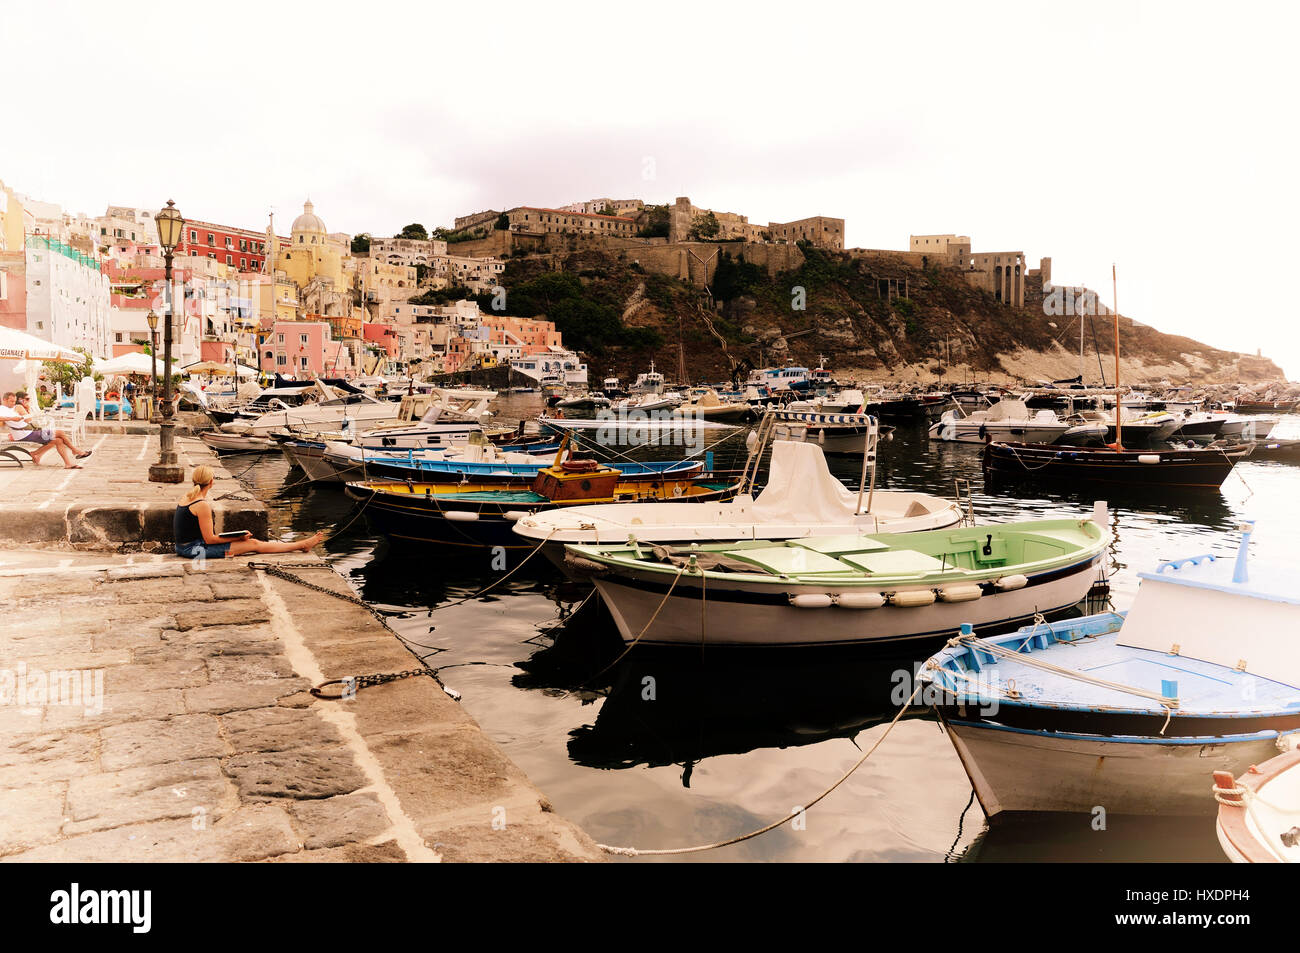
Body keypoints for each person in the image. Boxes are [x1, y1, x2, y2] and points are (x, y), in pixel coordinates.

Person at [175, 465, 323, 559]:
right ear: (211, 482)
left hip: (184, 547)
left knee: (251, 542)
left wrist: (236, 537)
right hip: (194, 550)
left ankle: (301, 544)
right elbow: (210, 540)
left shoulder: (187, 497)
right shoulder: (201, 505)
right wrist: (239, 539)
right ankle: (302, 545)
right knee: (254, 544)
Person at [0, 391, 89, 468]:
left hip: (29, 432)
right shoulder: (2, 409)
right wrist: (12, 419)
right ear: (4, 400)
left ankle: (68, 464)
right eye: (11, 401)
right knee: (60, 432)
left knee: (58, 440)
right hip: (25, 434)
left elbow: (27, 419)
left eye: (14, 401)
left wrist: (24, 412)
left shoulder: (10, 409)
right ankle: (75, 450)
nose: (13, 403)